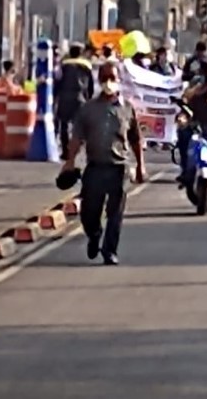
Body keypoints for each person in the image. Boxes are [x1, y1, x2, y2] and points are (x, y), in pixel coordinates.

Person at [61, 63, 145, 265]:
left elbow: (135, 139)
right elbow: (77, 138)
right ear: (99, 80)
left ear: (119, 80)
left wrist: (141, 166)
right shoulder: (88, 109)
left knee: (115, 214)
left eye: (112, 78)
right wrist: (70, 162)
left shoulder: (127, 108)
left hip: (119, 167)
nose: (109, 82)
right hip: (95, 167)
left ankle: (110, 251)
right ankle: (94, 234)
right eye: (105, 78)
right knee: (89, 211)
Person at [54, 44, 96, 160]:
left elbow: (57, 81)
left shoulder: (63, 66)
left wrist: (55, 96)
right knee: (80, 126)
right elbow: (91, 85)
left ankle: (65, 151)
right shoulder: (87, 66)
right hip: (81, 97)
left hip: (65, 97)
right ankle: (78, 148)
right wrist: (89, 98)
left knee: (64, 125)